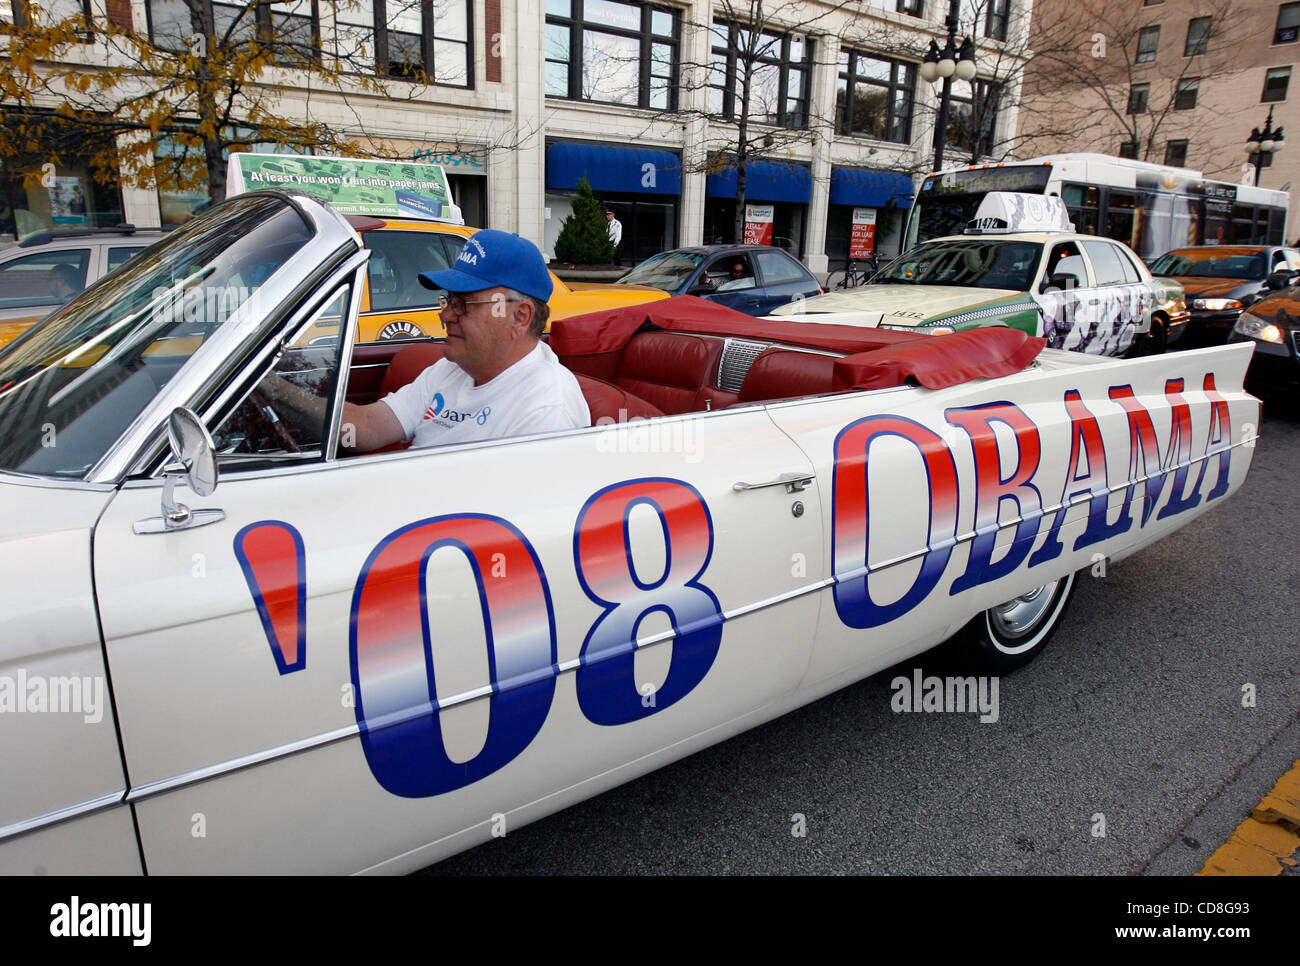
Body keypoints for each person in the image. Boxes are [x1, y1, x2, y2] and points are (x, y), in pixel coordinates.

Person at [262, 229, 589, 451]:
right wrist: (268, 386)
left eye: (464, 305)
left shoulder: (546, 411)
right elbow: (369, 425)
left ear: (520, 316)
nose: (447, 315)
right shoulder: (454, 369)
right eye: (448, 301)